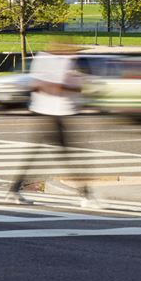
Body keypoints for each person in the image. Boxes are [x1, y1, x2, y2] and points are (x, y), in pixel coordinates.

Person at [9, 43, 91, 206]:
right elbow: (57, 86)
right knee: (70, 157)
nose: (74, 53)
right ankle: (87, 196)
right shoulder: (60, 61)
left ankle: (13, 190)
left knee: (36, 156)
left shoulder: (43, 59)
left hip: (46, 112)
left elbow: (34, 84)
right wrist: (75, 86)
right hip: (55, 114)